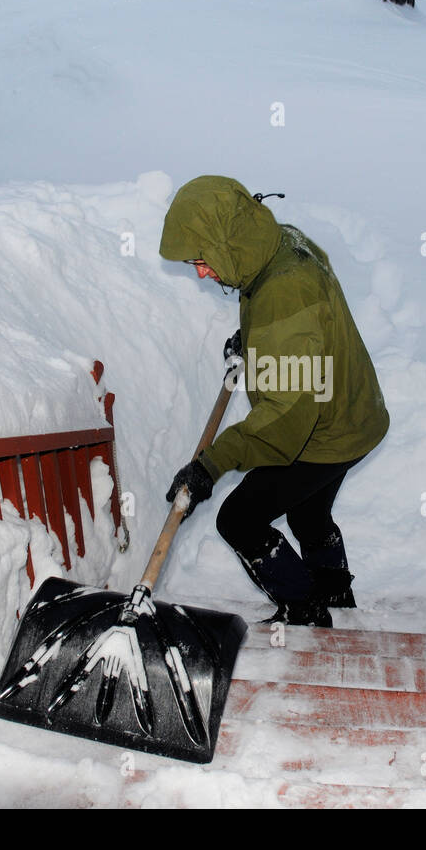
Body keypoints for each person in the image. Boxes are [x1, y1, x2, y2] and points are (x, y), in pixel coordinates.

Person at [159, 175, 390, 627]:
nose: (201, 273)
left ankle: (305, 610)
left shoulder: (284, 293)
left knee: (239, 519)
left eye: (202, 260)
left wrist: (210, 465)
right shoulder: (278, 242)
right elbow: (304, 322)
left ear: (229, 242)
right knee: (309, 513)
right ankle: (335, 598)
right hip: (354, 412)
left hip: (322, 431)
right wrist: (257, 338)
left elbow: (284, 421)